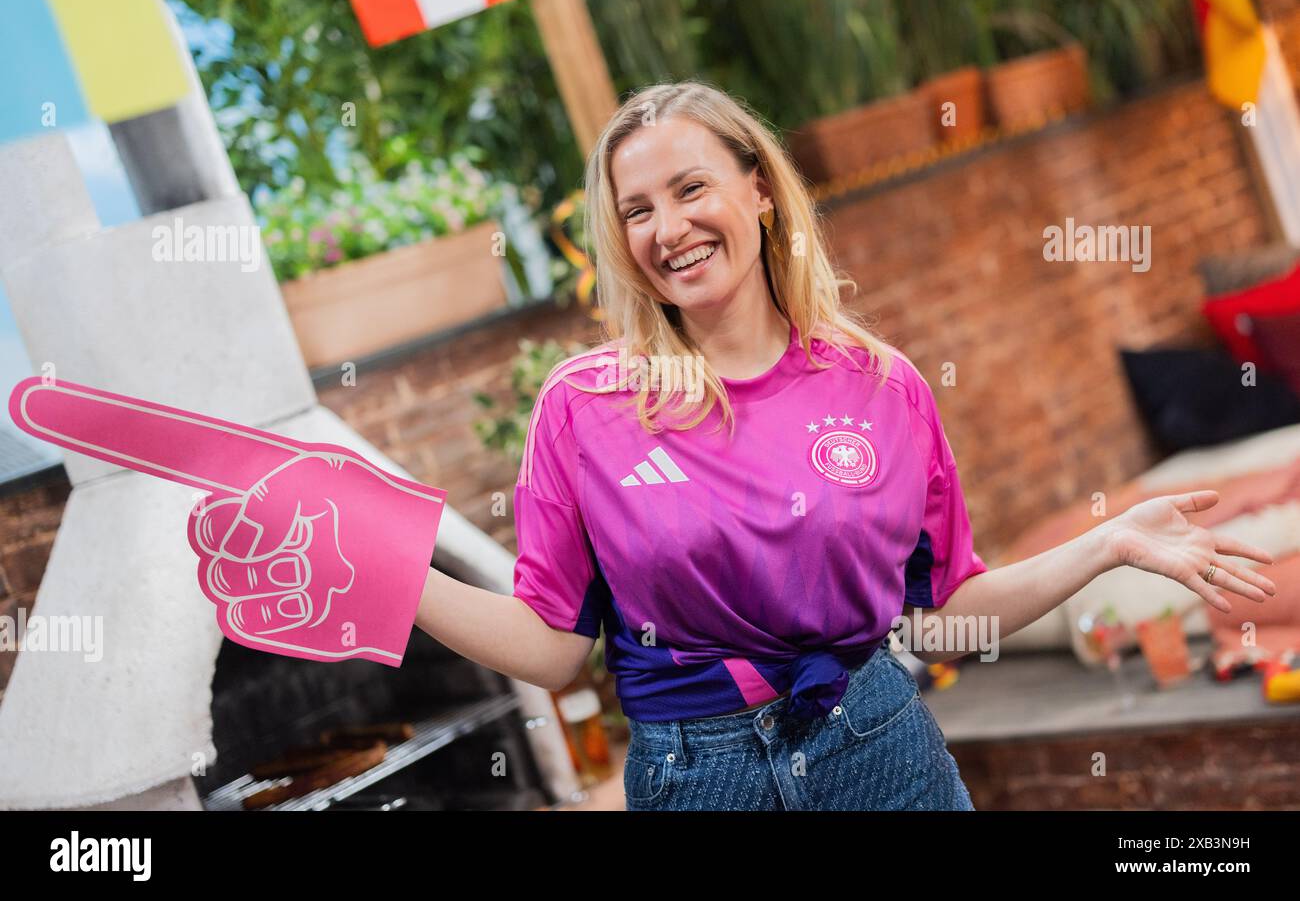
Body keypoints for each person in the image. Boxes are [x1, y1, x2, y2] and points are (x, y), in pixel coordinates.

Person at [415, 80, 1277, 810]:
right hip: (696, 780)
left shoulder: (879, 385)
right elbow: (552, 645)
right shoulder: (584, 408)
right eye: (637, 210)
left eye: (690, 188)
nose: (667, 228)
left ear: (759, 190)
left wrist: (1109, 542)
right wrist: (395, 576)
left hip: (881, 753)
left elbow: (941, 620)